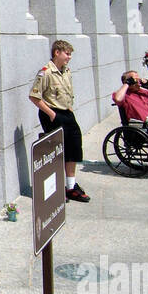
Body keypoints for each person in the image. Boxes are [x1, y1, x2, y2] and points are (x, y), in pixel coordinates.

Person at [29, 39, 90, 202]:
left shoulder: (66, 71)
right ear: (57, 53)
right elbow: (34, 97)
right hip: (53, 114)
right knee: (56, 150)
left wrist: (69, 109)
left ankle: (70, 187)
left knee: (74, 147)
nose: (69, 57)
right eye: (67, 54)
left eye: (70, 54)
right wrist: (51, 114)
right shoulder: (45, 72)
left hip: (66, 113)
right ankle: (54, 187)